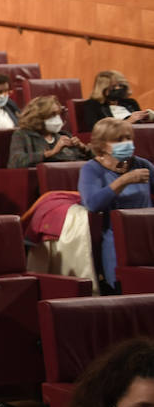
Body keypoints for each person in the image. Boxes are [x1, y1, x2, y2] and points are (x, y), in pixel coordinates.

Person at [79, 118, 153, 290]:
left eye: (128, 138)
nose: (126, 143)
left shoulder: (141, 164)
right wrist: (123, 181)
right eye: (119, 140)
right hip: (117, 240)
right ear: (103, 145)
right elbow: (93, 204)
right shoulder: (92, 169)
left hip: (148, 234)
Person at [7, 96, 91, 168]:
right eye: (53, 115)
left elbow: (91, 160)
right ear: (38, 117)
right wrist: (51, 152)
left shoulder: (63, 135)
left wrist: (82, 147)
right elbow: (16, 161)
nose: (58, 119)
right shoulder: (22, 135)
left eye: (58, 114)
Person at [76, 70, 152, 132]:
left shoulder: (130, 102)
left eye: (120, 85)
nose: (118, 88)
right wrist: (127, 122)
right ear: (103, 88)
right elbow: (95, 130)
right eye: (114, 86)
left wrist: (146, 117)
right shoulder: (92, 105)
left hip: (139, 135)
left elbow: (141, 124)